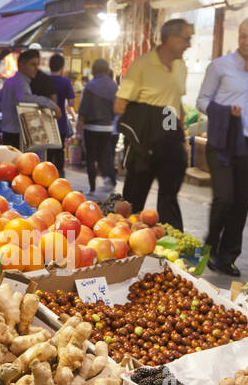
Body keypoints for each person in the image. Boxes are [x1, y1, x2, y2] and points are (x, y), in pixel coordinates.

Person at [195, 16, 248, 276]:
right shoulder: (220, 66)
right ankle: (211, 246)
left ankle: (227, 257)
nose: (247, 41)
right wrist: (226, 111)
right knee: (224, 197)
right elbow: (202, 101)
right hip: (222, 140)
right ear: (238, 36)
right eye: (243, 35)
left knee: (242, 201)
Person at [116, 19, 192, 229]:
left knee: (169, 198)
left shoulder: (181, 66)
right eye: (186, 39)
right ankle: (124, 244)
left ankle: (172, 248)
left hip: (170, 133)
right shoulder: (142, 64)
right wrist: (148, 120)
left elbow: (176, 105)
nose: (189, 44)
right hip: (144, 140)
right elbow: (120, 104)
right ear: (171, 39)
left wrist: (181, 137)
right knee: (133, 200)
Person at [0, 49, 57, 149]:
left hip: (6, 131)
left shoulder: (9, 82)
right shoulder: (21, 82)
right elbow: (25, 99)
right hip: (17, 134)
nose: (36, 68)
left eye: (37, 65)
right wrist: (51, 104)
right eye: (33, 64)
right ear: (21, 65)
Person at [78, 58, 119, 198]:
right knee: (104, 155)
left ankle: (92, 188)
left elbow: (83, 110)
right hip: (107, 127)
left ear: (94, 70)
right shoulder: (114, 86)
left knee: (91, 158)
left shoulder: (89, 86)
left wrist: (79, 130)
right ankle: (109, 179)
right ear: (107, 70)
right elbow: (117, 109)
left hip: (91, 127)